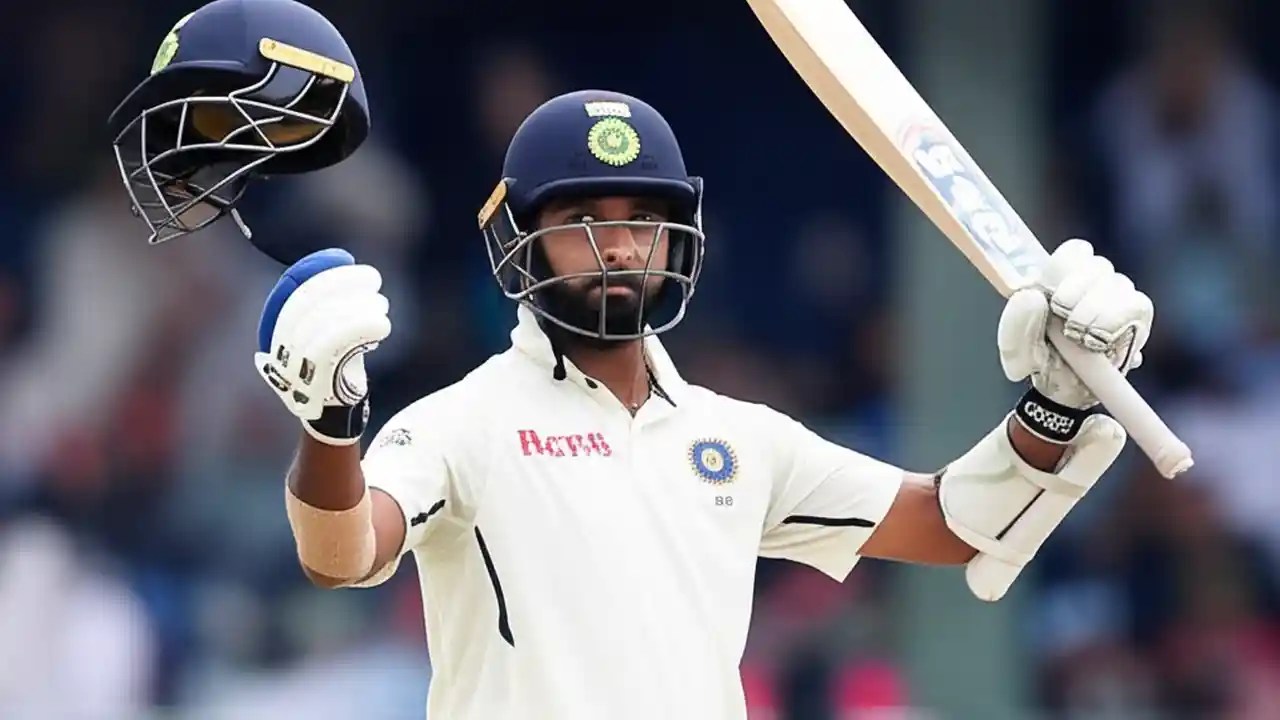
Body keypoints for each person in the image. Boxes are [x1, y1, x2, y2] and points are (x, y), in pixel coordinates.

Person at [252, 88, 1154, 719]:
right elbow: (342, 554)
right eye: (583, 220)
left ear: (677, 236)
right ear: (521, 240)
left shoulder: (739, 436)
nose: (618, 247)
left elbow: (954, 524)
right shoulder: (464, 421)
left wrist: (1056, 404)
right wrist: (330, 424)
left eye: (640, 218)